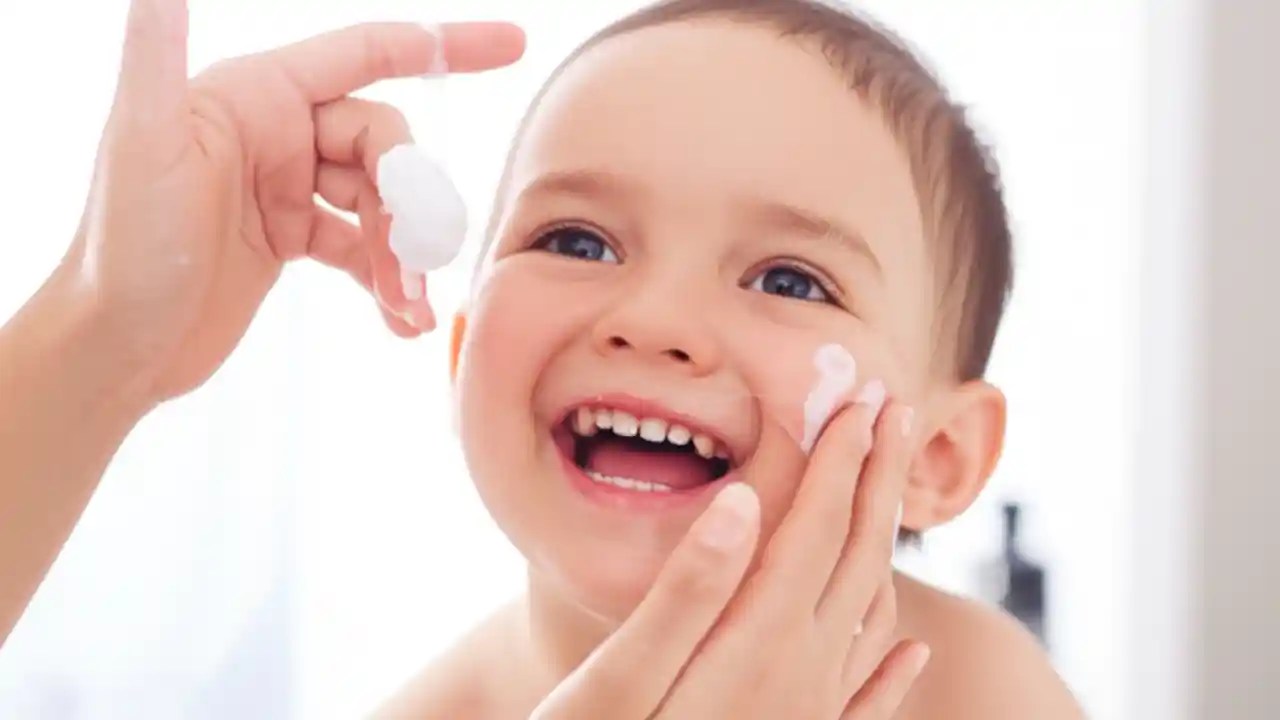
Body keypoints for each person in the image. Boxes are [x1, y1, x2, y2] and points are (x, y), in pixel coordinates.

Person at [0, 0, 1082, 717]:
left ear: (937, 457)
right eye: (577, 241)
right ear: (462, 357)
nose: (651, 319)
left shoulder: (976, 693)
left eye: (789, 281)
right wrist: (101, 322)